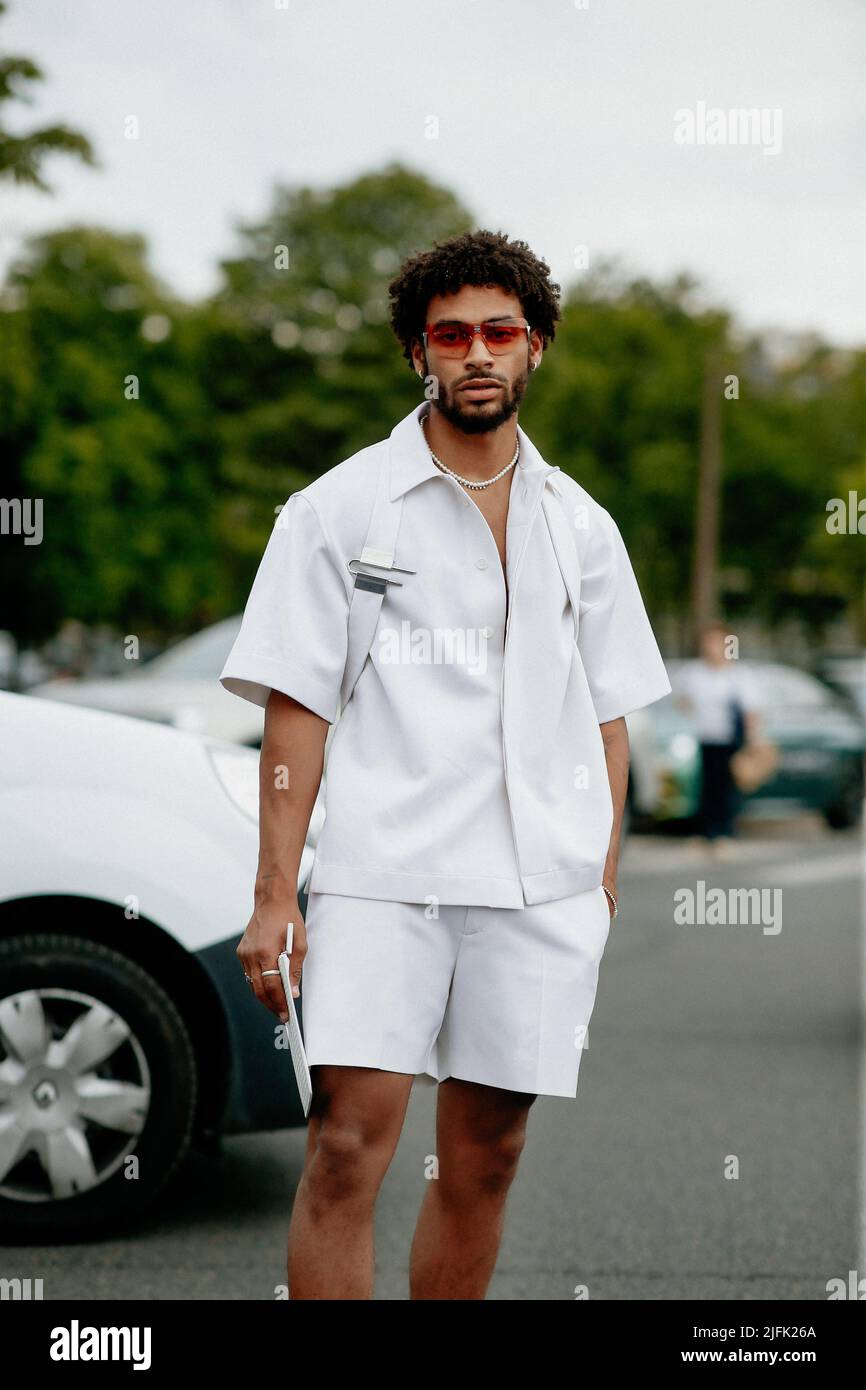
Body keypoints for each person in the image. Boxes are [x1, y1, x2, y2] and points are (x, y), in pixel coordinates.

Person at [219, 229, 672, 1300]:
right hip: (384, 876)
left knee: (487, 1156)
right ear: (417, 352)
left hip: (538, 890)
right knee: (342, 1148)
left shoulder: (582, 526)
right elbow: (295, 713)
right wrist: (273, 896)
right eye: (451, 334)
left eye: (498, 332)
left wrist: (599, 875)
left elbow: (607, 715)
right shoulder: (337, 507)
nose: (476, 353)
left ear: (535, 346)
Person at [676, 620, 762, 854]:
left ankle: (724, 832)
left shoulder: (738, 675)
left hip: (729, 740)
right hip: (703, 739)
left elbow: (751, 711)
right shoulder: (694, 673)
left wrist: (753, 740)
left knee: (726, 787)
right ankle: (705, 833)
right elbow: (682, 703)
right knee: (704, 786)